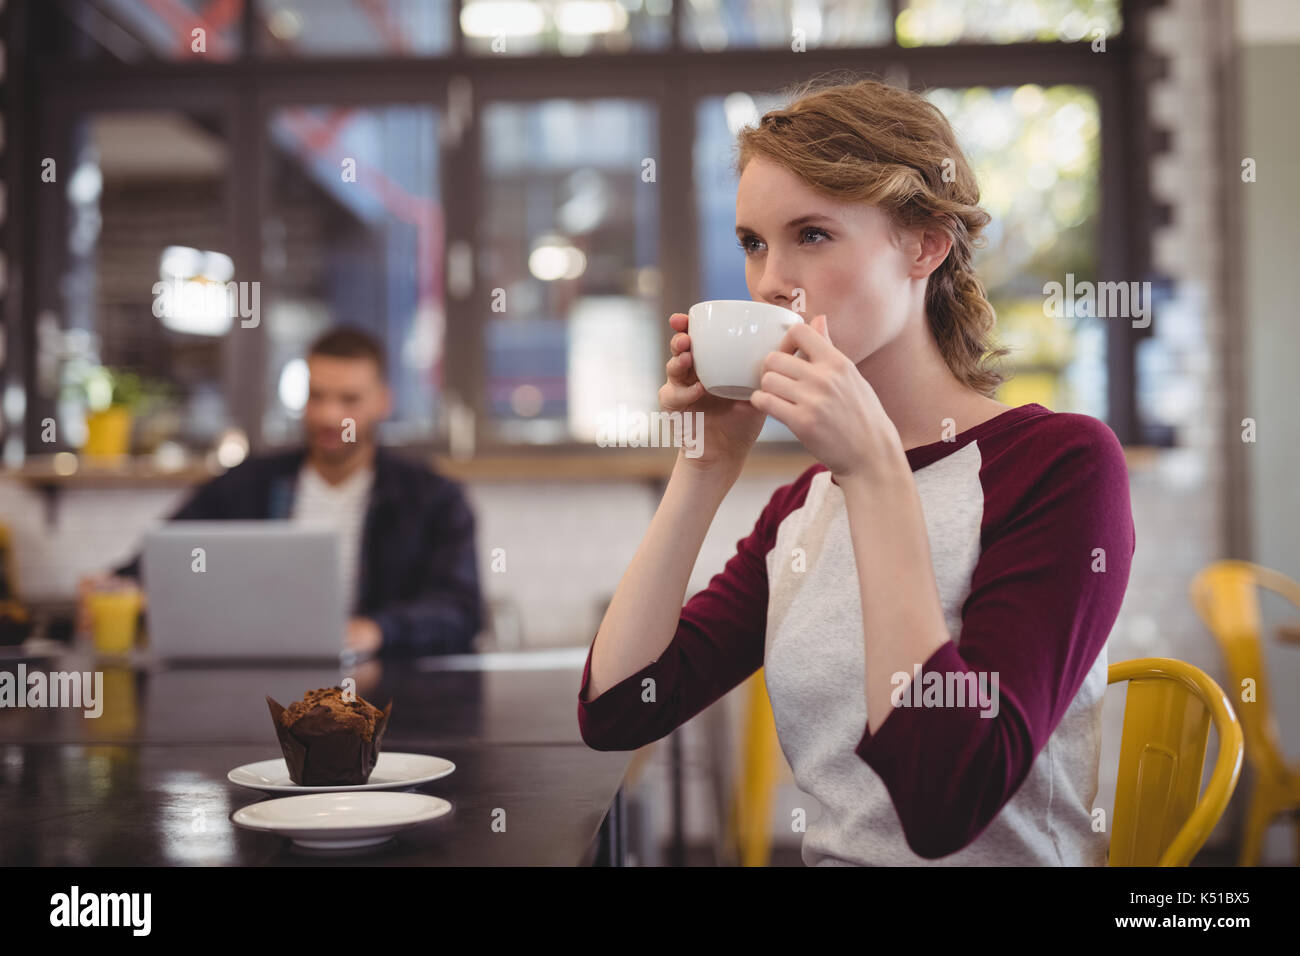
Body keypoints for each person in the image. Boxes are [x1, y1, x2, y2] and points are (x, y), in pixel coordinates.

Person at [577, 75, 1135, 865]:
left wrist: (878, 477)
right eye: (752, 243)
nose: (771, 281)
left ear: (925, 244)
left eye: (811, 234)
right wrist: (704, 468)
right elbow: (619, 711)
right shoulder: (803, 507)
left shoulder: (1061, 466)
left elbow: (947, 803)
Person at [80, 326, 483, 659]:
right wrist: (118, 584)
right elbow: (164, 559)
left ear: (382, 402)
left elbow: (461, 610)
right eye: (317, 396)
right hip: (255, 687)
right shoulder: (245, 484)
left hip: (388, 698)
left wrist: (375, 630)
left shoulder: (433, 498)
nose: (329, 415)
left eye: (349, 399)